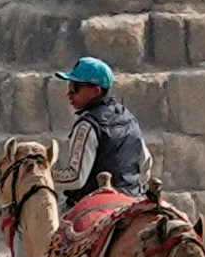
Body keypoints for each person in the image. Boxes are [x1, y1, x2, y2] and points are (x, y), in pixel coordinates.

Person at [53, 57, 150, 205]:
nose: (69, 94)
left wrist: (44, 175)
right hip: (132, 199)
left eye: (75, 87)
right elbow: (145, 163)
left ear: (95, 91)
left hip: (95, 202)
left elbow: (76, 178)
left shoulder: (87, 125)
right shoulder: (129, 118)